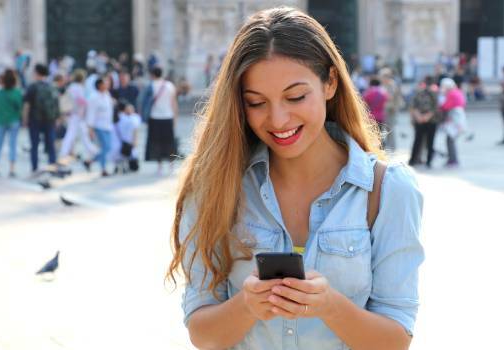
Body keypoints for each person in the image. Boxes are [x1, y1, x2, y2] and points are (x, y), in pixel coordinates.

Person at [165, 7, 423, 349]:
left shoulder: (388, 191)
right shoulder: (215, 187)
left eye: (296, 97)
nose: (278, 119)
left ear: (330, 82)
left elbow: (395, 340)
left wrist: (330, 306)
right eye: (256, 102)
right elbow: (202, 333)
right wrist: (247, 305)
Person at [22, 64, 60, 174]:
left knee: (34, 145)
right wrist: (57, 118)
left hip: (35, 119)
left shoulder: (32, 87)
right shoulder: (51, 86)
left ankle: (34, 168)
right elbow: (57, 104)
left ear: (37, 73)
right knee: (51, 144)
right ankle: (52, 166)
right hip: (50, 119)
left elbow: (27, 104)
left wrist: (24, 119)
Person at [142, 66, 178, 175]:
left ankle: (160, 167)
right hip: (168, 117)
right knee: (169, 142)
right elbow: (174, 103)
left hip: (155, 117)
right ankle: (171, 165)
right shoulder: (170, 86)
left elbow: (144, 102)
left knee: (156, 142)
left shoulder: (150, 86)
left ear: (152, 74)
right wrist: (175, 117)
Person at [59, 69, 98, 162]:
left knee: (82, 135)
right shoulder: (78, 88)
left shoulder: (72, 87)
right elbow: (80, 100)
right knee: (71, 135)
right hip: (76, 115)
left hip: (74, 115)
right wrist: (88, 103)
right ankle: (63, 153)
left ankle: (93, 151)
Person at [0, 69, 23, 177]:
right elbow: (19, 107)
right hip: (13, 120)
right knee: (12, 144)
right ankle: (12, 169)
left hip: (1, 120)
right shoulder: (17, 92)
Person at [86, 77, 115, 177]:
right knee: (105, 146)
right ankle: (103, 169)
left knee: (108, 148)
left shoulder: (107, 95)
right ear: (99, 85)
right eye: (105, 83)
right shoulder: (94, 97)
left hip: (107, 125)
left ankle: (90, 161)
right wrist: (90, 128)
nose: (107, 85)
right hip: (98, 126)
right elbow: (91, 113)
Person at [408, 76, 438, 168]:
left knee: (428, 142)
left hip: (430, 120)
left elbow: (436, 107)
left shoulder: (433, 94)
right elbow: (413, 106)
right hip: (421, 120)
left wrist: (425, 116)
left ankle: (427, 161)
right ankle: (414, 160)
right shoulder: (419, 93)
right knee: (419, 141)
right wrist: (420, 117)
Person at [438, 78, 466, 167]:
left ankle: (453, 160)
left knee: (450, 140)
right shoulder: (457, 92)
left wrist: (440, 106)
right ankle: (452, 159)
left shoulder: (452, 93)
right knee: (450, 140)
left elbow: (446, 106)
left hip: (455, 120)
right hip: (457, 119)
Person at [362, 78, 389, 150]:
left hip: (371, 117)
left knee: (372, 135)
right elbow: (386, 100)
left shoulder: (369, 92)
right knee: (380, 134)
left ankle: (373, 150)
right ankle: (381, 149)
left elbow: (363, 103)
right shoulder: (383, 92)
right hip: (381, 116)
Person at [115, 103, 142, 173]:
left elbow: (136, 130)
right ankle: (120, 167)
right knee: (120, 154)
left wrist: (135, 140)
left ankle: (131, 166)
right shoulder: (121, 117)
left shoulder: (135, 117)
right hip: (122, 139)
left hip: (131, 139)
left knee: (132, 154)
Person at [380, 68, 402, 151]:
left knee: (390, 128)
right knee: (382, 129)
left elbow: (390, 97)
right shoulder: (382, 85)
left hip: (390, 110)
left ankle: (392, 148)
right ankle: (385, 147)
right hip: (383, 110)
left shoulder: (392, 84)